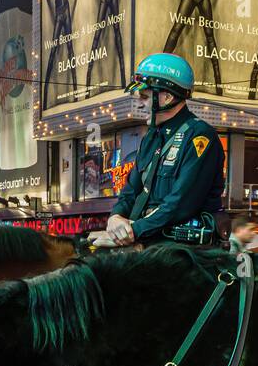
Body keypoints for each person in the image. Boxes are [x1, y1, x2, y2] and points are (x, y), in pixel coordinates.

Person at [93, 53, 226, 248]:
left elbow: (180, 204)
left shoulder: (200, 136)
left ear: (167, 97)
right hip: (149, 240)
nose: (139, 103)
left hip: (185, 249)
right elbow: (131, 190)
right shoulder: (151, 136)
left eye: (145, 97)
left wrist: (134, 232)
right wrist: (116, 217)